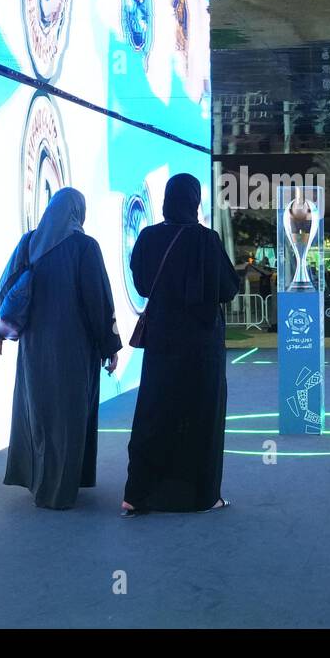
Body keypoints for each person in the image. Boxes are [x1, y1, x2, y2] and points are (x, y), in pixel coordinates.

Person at [0, 187, 121, 510]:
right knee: (69, 418)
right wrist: (109, 345)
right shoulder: (85, 247)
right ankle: (60, 490)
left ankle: (41, 482)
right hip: (74, 351)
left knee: (41, 415)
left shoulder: (30, 242)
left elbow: (5, 286)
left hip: (35, 351)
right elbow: (98, 301)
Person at [122, 173, 239, 516]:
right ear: (194, 200)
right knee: (201, 415)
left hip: (161, 340)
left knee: (154, 413)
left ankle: (137, 494)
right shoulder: (206, 240)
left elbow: (143, 285)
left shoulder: (147, 237)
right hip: (201, 345)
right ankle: (200, 495)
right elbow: (228, 289)